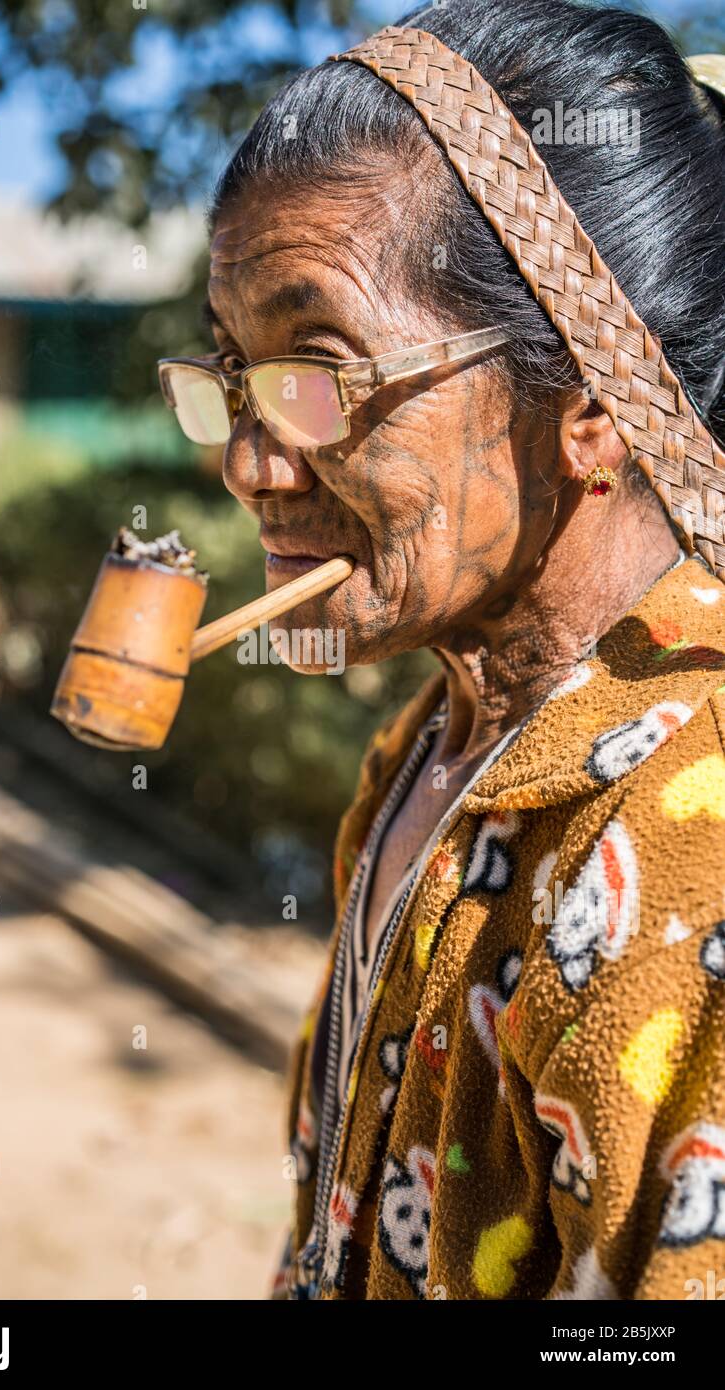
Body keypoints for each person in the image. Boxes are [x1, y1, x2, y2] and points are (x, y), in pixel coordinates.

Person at [159, 0, 725, 1299]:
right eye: (231, 374)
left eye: (318, 371)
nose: (249, 463)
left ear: (588, 405)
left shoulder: (691, 851)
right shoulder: (435, 748)